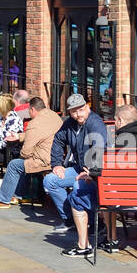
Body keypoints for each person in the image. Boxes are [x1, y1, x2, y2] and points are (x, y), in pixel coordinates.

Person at [43, 95, 106, 256]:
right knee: (50, 181)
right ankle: (71, 219)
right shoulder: (69, 124)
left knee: (79, 187)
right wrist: (57, 164)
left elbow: (99, 146)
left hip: (96, 172)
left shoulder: (95, 122)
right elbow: (58, 140)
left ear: (87, 107)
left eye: (81, 110)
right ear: (69, 113)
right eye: (74, 111)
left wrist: (91, 171)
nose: (79, 114)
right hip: (78, 168)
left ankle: (94, 223)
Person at [0, 96, 61, 209]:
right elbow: (42, 133)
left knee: (15, 164)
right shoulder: (54, 116)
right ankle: (19, 195)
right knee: (23, 162)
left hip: (44, 161)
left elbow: (26, 152)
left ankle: (3, 200)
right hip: (58, 158)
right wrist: (19, 136)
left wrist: (21, 154)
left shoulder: (34, 123)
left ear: (32, 109)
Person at [102, 104, 137, 251]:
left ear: (120, 120)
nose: (115, 123)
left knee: (103, 192)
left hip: (122, 196)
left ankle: (111, 238)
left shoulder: (120, 142)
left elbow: (109, 172)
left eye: (115, 120)